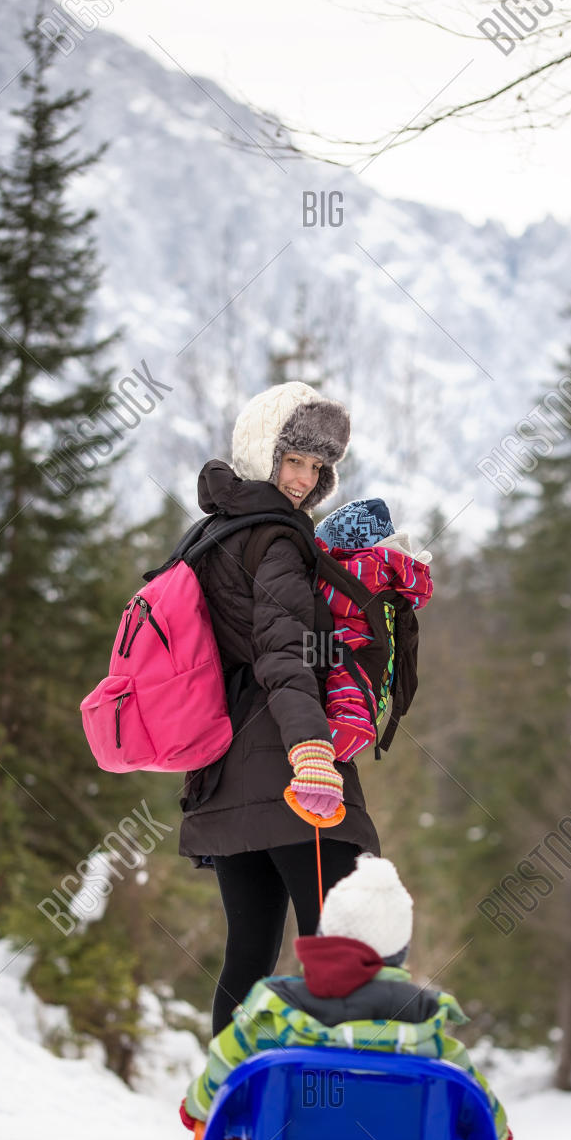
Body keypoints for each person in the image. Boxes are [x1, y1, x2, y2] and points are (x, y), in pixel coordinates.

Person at [178, 380, 381, 1039]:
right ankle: (335, 1105)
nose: (303, 479)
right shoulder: (278, 540)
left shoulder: (209, 534)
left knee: (249, 952)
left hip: (220, 773)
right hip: (288, 769)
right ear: (263, 453)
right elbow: (283, 653)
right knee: (346, 936)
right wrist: (311, 750)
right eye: (293, 460)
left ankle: (224, 1110)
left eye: (316, 467)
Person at [180, 852, 513, 1140]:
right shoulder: (424, 1020)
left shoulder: (274, 1008)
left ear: (325, 934)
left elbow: (223, 1067)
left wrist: (197, 1109)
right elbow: (472, 1097)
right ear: (401, 950)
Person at [311, 496, 433, 762]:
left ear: (343, 549)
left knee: (347, 686)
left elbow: (323, 593)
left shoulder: (358, 573)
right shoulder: (387, 574)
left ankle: (342, 739)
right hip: (371, 665)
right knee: (352, 684)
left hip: (352, 655)